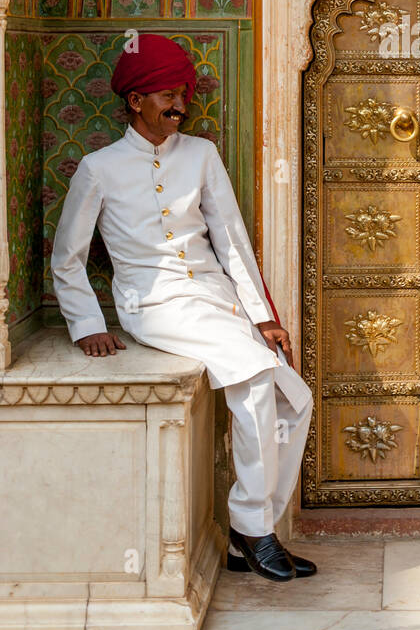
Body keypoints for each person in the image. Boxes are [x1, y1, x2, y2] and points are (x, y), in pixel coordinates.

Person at [51, 33, 315, 584]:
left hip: (215, 299)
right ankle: (253, 528)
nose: (179, 104)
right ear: (135, 101)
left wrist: (261, 314)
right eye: (167, 94)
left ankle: (251, 529)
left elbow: (231, 238)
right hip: (153, 304)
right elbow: (67, 258)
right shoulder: (99, 168)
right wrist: (87, 326)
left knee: (295, 396)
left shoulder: (201, 154)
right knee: (258, 381)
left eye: (182, 94)